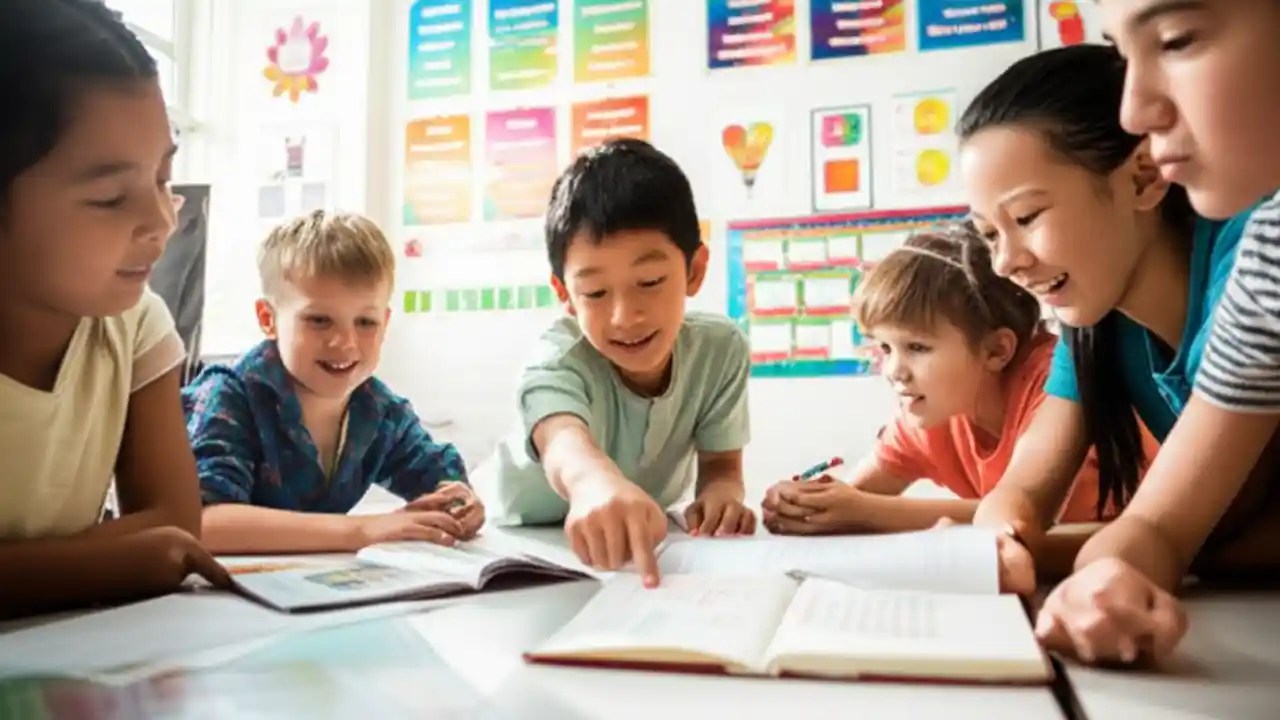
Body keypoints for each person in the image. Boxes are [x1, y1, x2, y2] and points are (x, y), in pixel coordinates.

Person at [956, 43, 1259, 610]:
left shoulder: (1249, 261)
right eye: (989, 233)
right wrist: (999, 543)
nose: (1005, 262)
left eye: (1026, 218)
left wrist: (1102, 563)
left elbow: (1164, 531)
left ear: (1143, 178)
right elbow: (1022, 490)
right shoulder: (1097, 318)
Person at [1029, 0, 1280, 665]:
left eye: (1176, 40)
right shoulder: (1270, 257)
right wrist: (1111, 577)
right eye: (1122, 54)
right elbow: (1161, 527)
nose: (1133, 113)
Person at [0, 0, 230, 617]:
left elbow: (176, 524)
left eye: (163, 177)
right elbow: (157, 547)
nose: (160, 221)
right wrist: (111, 559)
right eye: (108, 197)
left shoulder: (132, 325)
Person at [761, 229, 1157, 574]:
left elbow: (1033, 526)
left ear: (997, 350)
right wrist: (805, 506)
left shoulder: (1056, 386)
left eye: (917, 347)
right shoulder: (929, 414)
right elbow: (855, 497)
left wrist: (862, 510)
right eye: (884, 346)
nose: (894, 370)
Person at [473, 139, 754, 587]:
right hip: (503, 539)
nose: (625, 317)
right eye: (596, 294)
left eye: (650, 281)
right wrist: (592, 485)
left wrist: (721, 495)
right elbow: (564, 442)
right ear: (565, 294)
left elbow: (721, 466)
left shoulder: (721, 350)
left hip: (619, 552)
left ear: (695, 271)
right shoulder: (556, 360)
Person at [184, 211, 483, 554]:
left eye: (365, 322)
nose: (345, 342)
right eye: (320, 320)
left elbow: (438, 476)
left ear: (385, 323)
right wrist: (364, 530)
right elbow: (204, 524)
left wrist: (459, 501)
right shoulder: (227, 397)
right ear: (268, 319)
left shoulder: (379, 410)